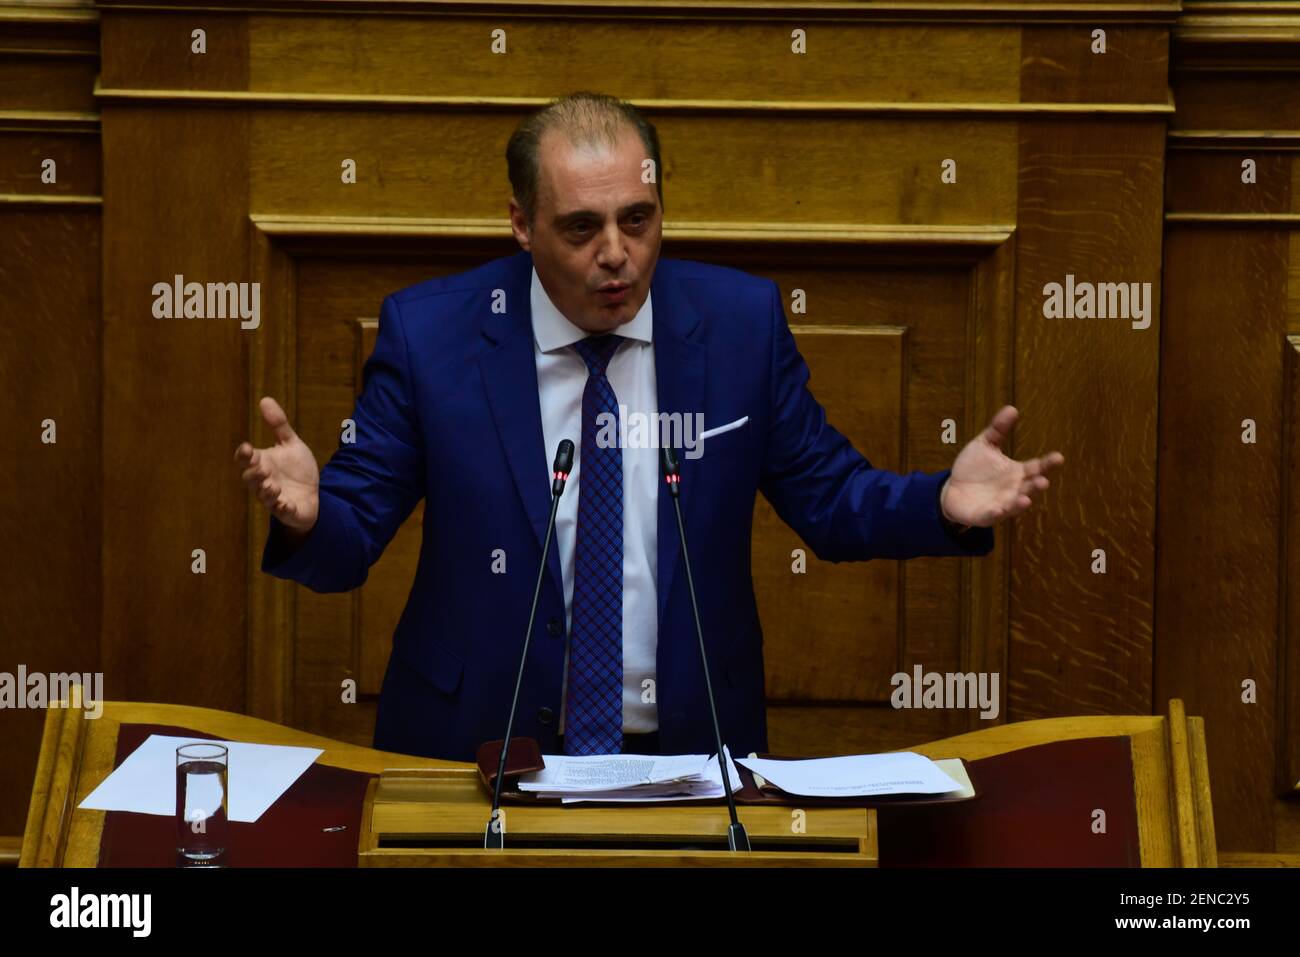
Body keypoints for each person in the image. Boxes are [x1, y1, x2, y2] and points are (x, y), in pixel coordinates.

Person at [234, 91, 1064, 761]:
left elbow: (833, 500)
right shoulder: (433, 335)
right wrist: (311, 515)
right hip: (476, 748)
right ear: (522, 225)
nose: (617, 254)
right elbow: (351, 537)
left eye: (638, 218)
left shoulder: (739, 324)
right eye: (581, 227)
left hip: (690, 754)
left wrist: (943, 506)